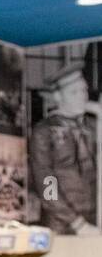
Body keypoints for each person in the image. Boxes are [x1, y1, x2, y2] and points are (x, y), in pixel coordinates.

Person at [29, 63, 99, 235]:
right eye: (74, 92)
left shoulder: (92, 127)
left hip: (94, 218)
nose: (82, 97)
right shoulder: (44, 132)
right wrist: (77, 223)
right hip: (62, 225)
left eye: (84, 90)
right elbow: (47, 185)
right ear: (58, 97)